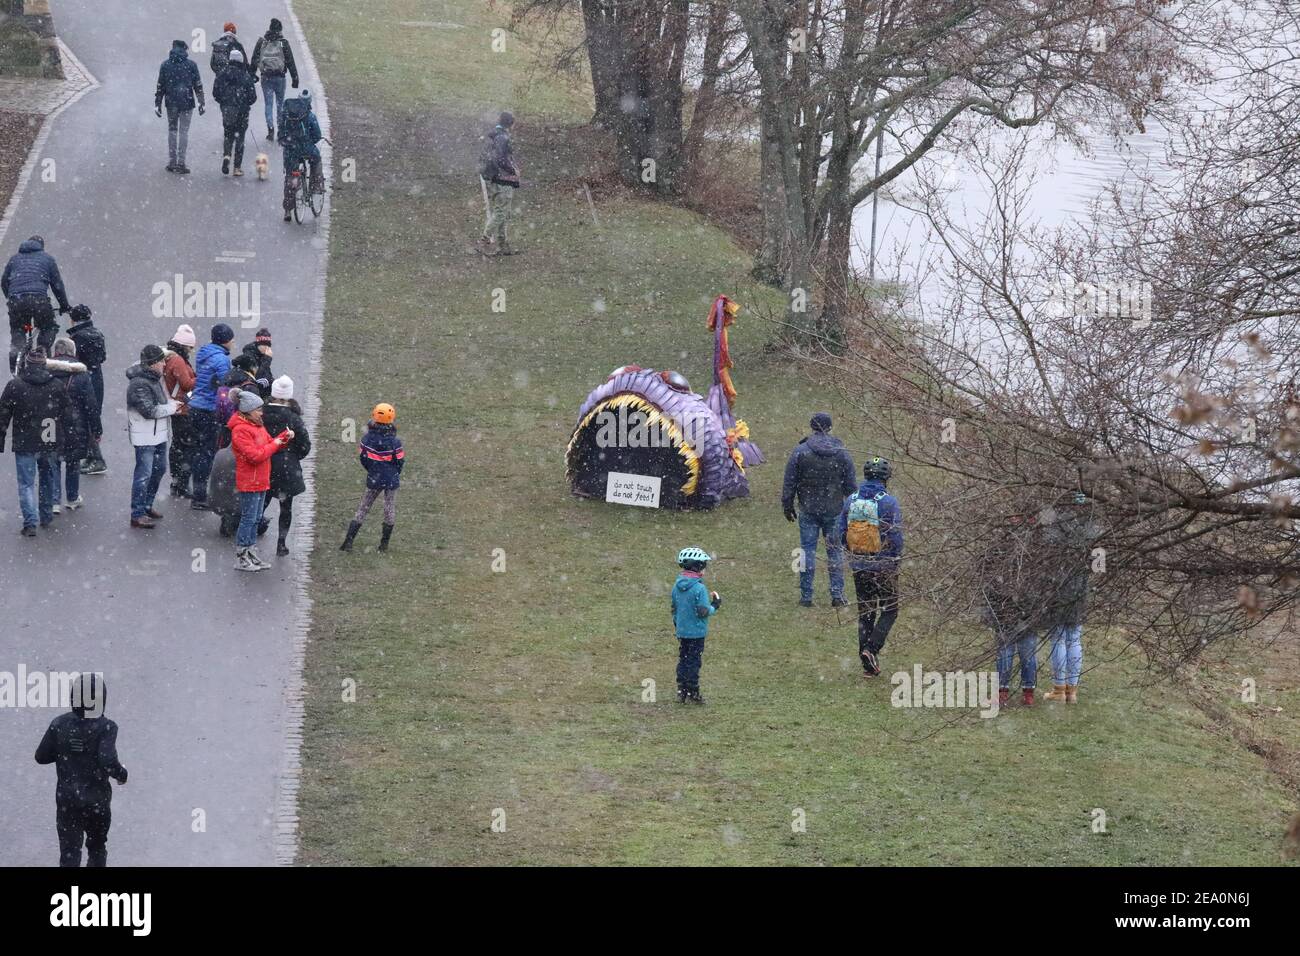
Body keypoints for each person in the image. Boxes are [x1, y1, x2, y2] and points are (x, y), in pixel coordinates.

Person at [35, 672, 127, 867]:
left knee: (69, 851)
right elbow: (107, 758)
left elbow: (41, 757)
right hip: (97, 801)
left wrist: (65, 749)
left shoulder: (59, 724)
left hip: (68, 800)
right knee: (97, 847)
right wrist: (122, 774)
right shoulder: (107, 727)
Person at [837, 456, 904, 677]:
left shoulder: (851, 500)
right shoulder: (888, 502)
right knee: (890, 609)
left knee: (866, 612)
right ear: (886, 478)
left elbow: (841, 534)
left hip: (859, 564)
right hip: (884, 565)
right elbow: (895, 537)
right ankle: (871, 649)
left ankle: (867, 664)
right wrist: (894, 557)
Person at [782, 412, 856, 608]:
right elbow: (850, 486)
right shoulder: (841, 452)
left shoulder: (801, 451)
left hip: (808, 508)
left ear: (812, 426)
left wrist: (787, 505)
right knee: (835, 552)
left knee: (807, 552)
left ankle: (806, 596)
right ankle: (837, 595)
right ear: (830, 427)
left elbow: (789, 481)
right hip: (834, 509)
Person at [1041, 493, 1102, 704]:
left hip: (1058, 587)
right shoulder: (1094, 528)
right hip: (1081, 588)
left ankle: (1059, 688)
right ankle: (1072, 690)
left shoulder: (1056, 525)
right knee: (1074, 638)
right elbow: (1099, 566)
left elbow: (1045, 558)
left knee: (1058, 638)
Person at [0, 347, 65, 535]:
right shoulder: (56, 385)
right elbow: (67, 412)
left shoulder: (15, 385)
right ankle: (46, 515)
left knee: (26, 483)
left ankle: (30, 523)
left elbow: (3, 414)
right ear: (45, 364)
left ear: (26, 364)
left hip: (24, 440)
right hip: (48, 438)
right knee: (47, 477)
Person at [228, 388, 292, 571]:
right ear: (248, 410)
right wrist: (276, 443)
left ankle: (250, 551)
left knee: (256, 518)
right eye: (258, 409)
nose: (261, 412)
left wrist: (283, 438)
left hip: (261, 480)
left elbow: (269, 444)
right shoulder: (241, 431)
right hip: (250, 481)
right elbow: (255, 456)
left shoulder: (258, 426)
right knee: (248, 519)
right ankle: (241, 555)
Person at [983, 513, 1042, 707]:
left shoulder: (999, 548)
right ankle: (1027, 691)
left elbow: (987, 580)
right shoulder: (1038, 550)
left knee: (1006, 651)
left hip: (1006, 607)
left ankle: (1004, 691)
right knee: (1026, 652)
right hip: (1026, 608)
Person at [126, 345, 180, 529]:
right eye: (161, 362)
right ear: (152, 364)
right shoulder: (139, 383)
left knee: (158, 470)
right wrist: (172, 408)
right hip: (145, 437)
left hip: (158, 435)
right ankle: (137, 513)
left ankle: (146, 505)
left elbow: (160, 403)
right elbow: (149, 411)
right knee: (144, 474)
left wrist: (171, 404)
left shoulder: (154, 379)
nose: (164, 365)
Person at [340, 403, 403, 552]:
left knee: (363, 508)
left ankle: (348, 542)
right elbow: (400, 462)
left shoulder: (366, 439)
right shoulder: (395, 442)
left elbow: (363, 458)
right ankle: (384, 545)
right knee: (389, 509)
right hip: (391, 479)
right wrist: (394, 473)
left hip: (374, 478)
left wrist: (373, 470)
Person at [4, 235, 71, 373]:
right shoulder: (47, 259)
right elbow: (57, 285)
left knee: (18, 329)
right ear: (41, 246)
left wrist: (12, 298)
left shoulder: (14, 259)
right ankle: (42, 349)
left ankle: (16, 354)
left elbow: (4, 281)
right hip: (38, 300)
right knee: (48, 327)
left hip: (16, 300)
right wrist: (64, 305)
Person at [262, 375, 310, 556]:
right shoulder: (293, 418)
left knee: (260, 503)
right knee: (286, 507)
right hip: (286, 467)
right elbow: (305, 445)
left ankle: (250, 536)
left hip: (263, 463)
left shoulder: (260, 413)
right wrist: (293, 456)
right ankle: (281, 543)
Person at [188, 323, 235, 510]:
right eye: (231, 339)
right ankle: (200, 497)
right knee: (206, 454)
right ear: (226, 340)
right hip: (208, 409)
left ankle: (195, 491)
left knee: (199, 451)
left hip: (195, 407)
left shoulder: (204, 353)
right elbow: (226, 384)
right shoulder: (221, 360)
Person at [47, 338, 95, 513]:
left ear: (55, 352)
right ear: (72, 352)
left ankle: (53, 500)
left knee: (53, 461)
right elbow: (91, 404)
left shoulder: (46, 373)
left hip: (50, 423)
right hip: (76, 424)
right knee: (73, 461)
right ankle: (72, 498)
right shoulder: (81, 375)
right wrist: (96, 429)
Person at [671, 546, 722, 704]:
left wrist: (678, 624)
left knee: (684, 659)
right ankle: (693, 691)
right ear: (697, 566)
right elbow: (703, 611)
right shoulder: (699, 588)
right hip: (697, 633)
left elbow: (674, 608)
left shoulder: (676, 586)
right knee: (694, 661)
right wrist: (715, 605)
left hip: (682, 631)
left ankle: (682, 690)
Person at [154, 39, 206, 174]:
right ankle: (181, 163)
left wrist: (157, 103)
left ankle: (172, 162)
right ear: (185, 50)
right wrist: (201, 102)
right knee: (183, 132)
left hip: (171, 102)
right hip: (187, 102)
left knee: (172, 131)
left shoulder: (165, 65)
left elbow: (160, 86)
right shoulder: (191, 65)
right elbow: (198, 85)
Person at [66, 305, 107, 475]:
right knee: (93, 415)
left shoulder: (76, 338)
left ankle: (97, 458)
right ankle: (91, 456)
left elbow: (73, 361)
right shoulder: (98, 334)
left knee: (85, 419)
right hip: (97, 378)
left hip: (84, 379)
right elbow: (103, 357)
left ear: (73, 319)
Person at [476, 111, 520, 255]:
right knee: (501, 212)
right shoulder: (503, 137)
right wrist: (513, 170)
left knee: (502, 211)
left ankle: (502, 246)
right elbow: (501, 158)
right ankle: (484, 239)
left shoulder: (493, 135)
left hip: (494, 177)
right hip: (503, 179)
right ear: (511, 124)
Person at [162, 325, 197, 499]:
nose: (192, 350)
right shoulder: (178, 361)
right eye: (190, 347)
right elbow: (186, 384)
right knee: (186, 447)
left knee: (177, 445)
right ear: (184, 346)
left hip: (176, 408)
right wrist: (201, 378)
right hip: (182, 408)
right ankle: (182, 483)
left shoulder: (171, 358)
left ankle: (176, 481)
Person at [251, 17, 299, 140]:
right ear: (280, 29)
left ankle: (270, 129)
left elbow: (254, 59)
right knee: (280, 104)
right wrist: (295, 77)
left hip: (266, 77)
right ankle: (281, 130)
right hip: (280, 78)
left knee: (268, 104)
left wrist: (252, 75)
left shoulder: (262, 42)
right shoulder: (283, 43)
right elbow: (290, 61)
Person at [279, 90, 323, 222]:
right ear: (309, 102)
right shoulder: (310, 116)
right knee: (316, 159)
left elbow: (281, 132)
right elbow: (317, 135)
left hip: (290, 150)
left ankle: (288, 209)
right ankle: (316, 185)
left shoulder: (286, 115)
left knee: (291, 177)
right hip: (306, 149)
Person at [212, 47, 258, 176]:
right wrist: (246, 103)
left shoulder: (222, 73)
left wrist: (223, 102)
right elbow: (253, 97)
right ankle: (237, 167)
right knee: (240, 137)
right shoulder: (246, 76)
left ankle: (227, 155)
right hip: (242, 110)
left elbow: (215, 92)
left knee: (228, 134)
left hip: (227, 109)